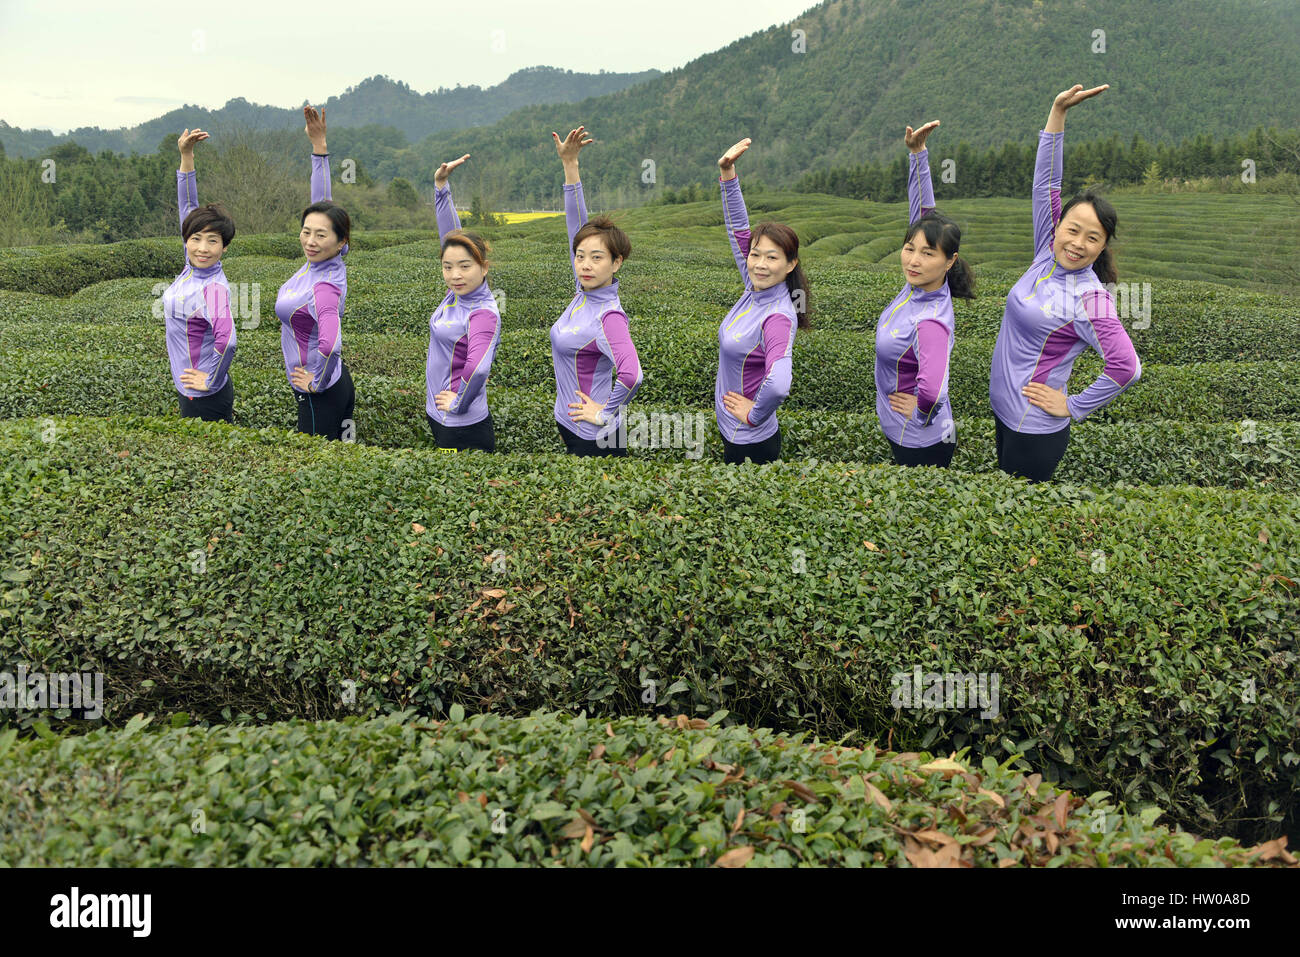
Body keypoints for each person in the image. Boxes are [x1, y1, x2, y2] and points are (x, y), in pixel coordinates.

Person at [989, 84, 1141, 481]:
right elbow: (1046, 186)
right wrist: (1058, 113)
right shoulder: (1046, 250)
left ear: (1103, 246)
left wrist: (1073, 406)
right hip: (1004, 413)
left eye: (1092, 238)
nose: (1077, 243)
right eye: (1072, 230)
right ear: (1058, 227)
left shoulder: (1090, 297)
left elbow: (1127, 367)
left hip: (1035, 429)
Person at [874, 120, 975, 467]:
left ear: (950, 261)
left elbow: (933, 391)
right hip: (908, 433)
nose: (914, 260)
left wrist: (920, 413)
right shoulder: (919, 287)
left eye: (928, 253)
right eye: (909, 248)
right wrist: (918, 155)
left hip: (921, 442)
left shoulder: (930, 319)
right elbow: (923, 218)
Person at [548, 125, 643, 457]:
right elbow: (577, 227)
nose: (585, 264)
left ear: (617, 263)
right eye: (580, 257)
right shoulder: (583, 291)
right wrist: (570, 166)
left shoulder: (609, 316)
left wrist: (604, 413)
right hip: (572, 425)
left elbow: (632, 374)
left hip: (596, 437)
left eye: (597, 258)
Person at [715, 138, 809, 465]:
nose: (760, 264)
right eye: (755, 255)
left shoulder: (779, 315)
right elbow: (737, 229)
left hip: (751, 441)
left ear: (790, 264)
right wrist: (728, 173)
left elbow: (780, 383)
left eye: (772, 257)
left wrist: (754, 415)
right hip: (734, 431)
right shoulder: (754, 287)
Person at [274, 104, 355, 440]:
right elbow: (323, 207)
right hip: (336, 382)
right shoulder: (323, 260)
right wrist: (319, 148)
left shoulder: (325, 284)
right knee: (343, 457)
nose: (310, 240)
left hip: (319, 391)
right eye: (306, 231)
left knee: (319, 467)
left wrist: (315, 383)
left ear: (341, 243)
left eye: (320, 235)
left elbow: (331, 343)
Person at [425, 153, 501, 452]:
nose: (455, 274)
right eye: (447, 267)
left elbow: (478, 369)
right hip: (440, 416)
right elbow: (452, 239)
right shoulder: (456, 295)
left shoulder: (482, 312)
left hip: (461, 426)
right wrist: (441, 187)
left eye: (465, 266)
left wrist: (457, 403)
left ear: (483, 267)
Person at [163, 128, 236, 423]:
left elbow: (228, 341)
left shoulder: (213, 288)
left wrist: (210, 380)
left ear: (225, 247)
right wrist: (186, 156)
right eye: (195, 238)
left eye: (213, 241)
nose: (202, 248)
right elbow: (188, 209)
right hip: (189, 388)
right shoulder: (190, 266)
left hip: (203, 394)